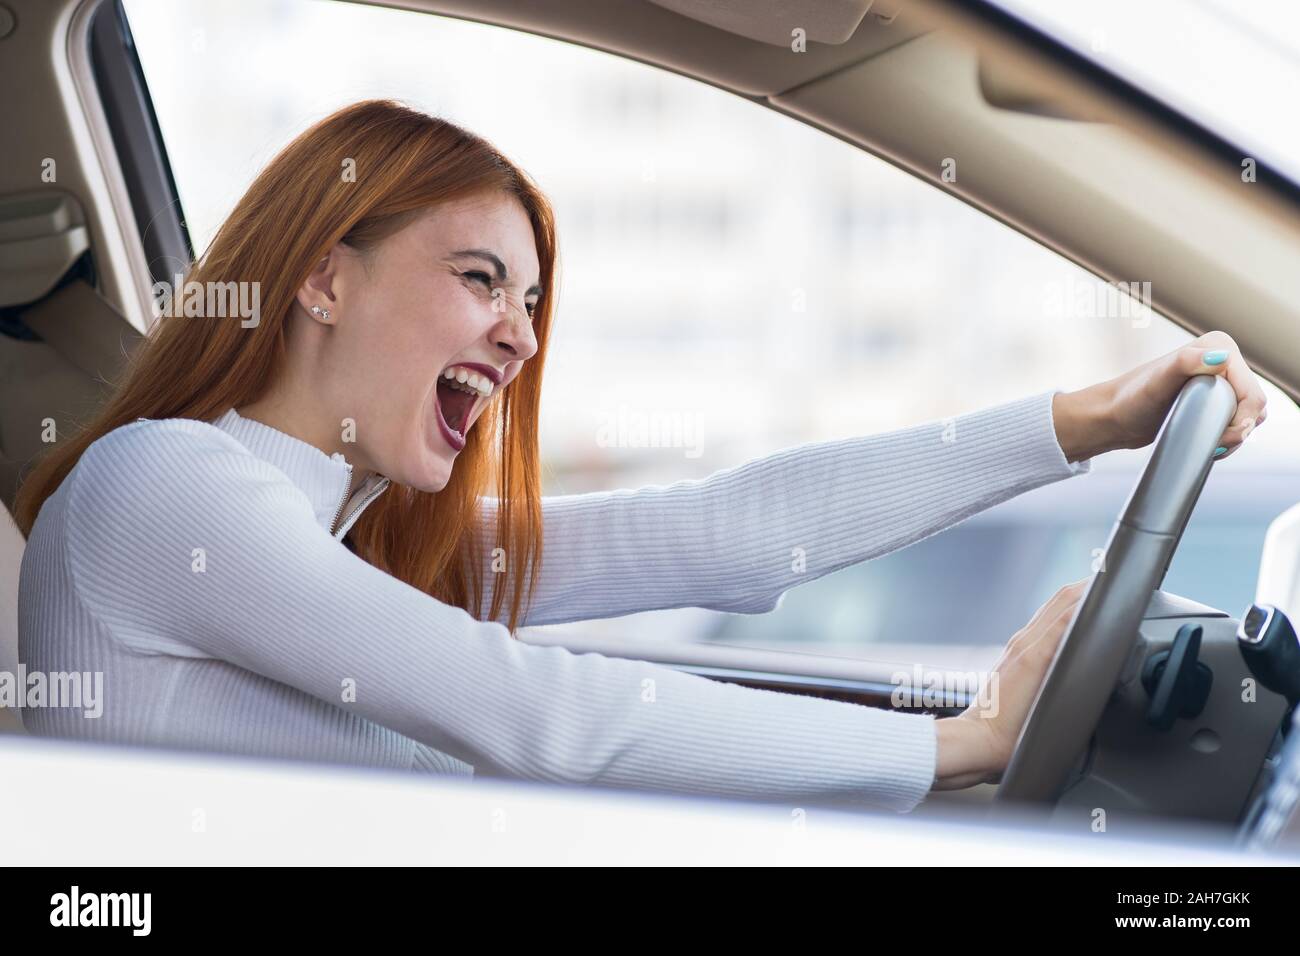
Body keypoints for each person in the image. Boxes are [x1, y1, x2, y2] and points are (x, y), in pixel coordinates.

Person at [14, 100, 1267, 812]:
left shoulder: (344, 532)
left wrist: (1083, 419)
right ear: (322, 279)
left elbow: (721, 531)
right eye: (478, 278)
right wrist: (964, 740)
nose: (519, 332)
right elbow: (538, 718)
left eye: (533, 298)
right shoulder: (163, 486)